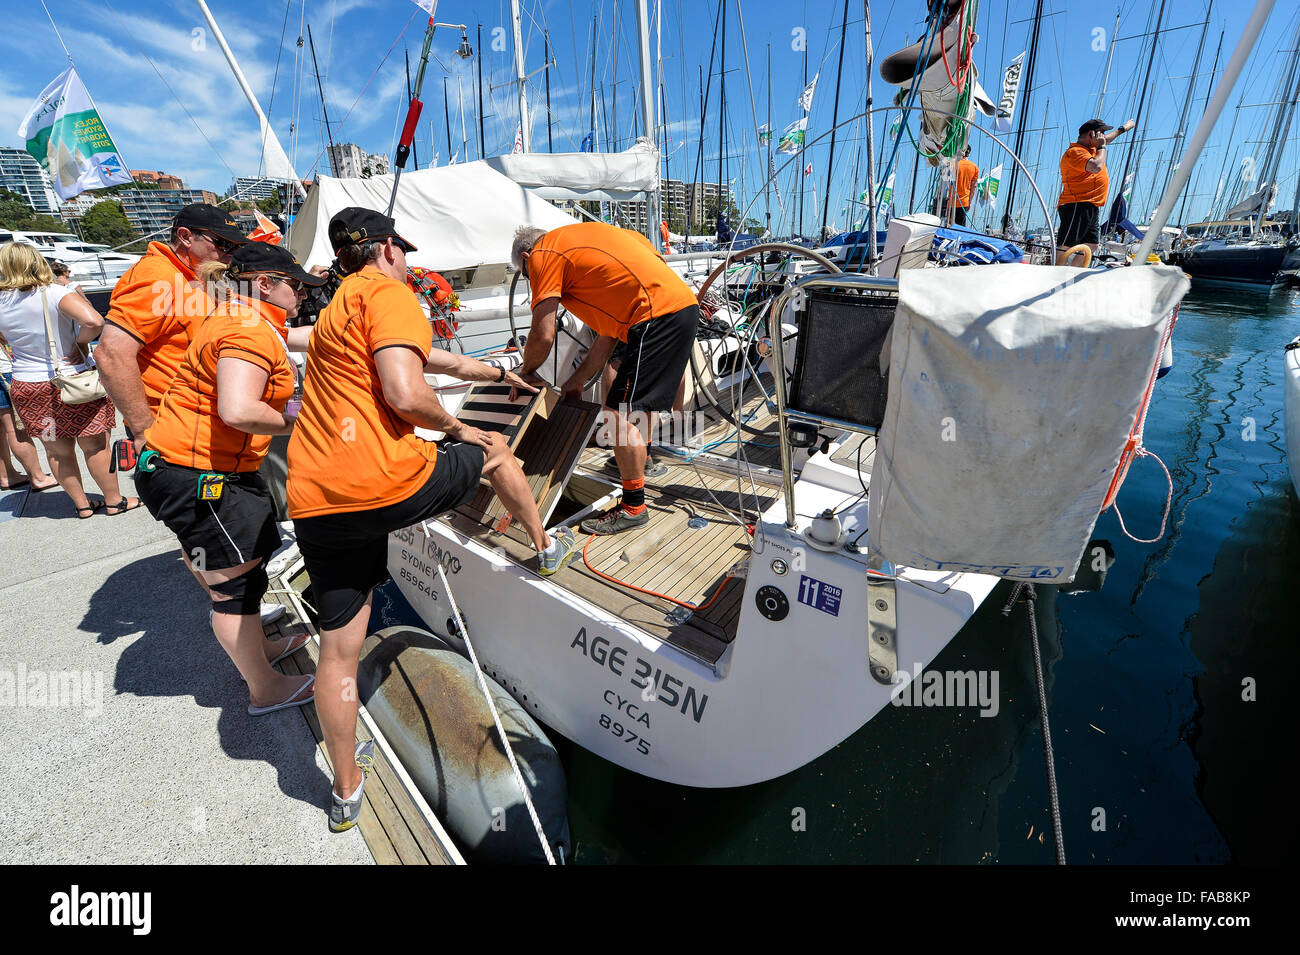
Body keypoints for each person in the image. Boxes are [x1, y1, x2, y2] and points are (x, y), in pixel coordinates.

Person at [286, 207, 579, 832]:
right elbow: (405, 391)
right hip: (381, 483)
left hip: (316, 498)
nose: (407, 263)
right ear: (388, 250)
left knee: (338, 652)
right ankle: (545, 544)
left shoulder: (336, 308)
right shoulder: (389, 293)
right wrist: (459, 429)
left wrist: (499, 373)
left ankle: (345, 790)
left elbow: (439, 362)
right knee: (494, 451)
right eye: (404, 252)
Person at [136, 242, 324, 714]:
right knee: (233, 589)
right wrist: (306, 419)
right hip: (201, 474)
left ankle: (258, 649)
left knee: (227, 567)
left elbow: (294, 339)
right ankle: (264, 689)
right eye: (297, 286)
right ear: (264, 284)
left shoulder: (239, 317)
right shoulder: (248, 330)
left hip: (177, 467)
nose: (303, 294)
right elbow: (238, 410)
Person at [511, 221, 700, 535]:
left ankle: (633, 508)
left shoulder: (544, 253)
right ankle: (642, 461)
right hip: (679, 307)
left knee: (617, 415)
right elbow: (607, 337)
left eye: (528, 275)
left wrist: (526, 372)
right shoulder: (594, 240)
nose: (534, 281)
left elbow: (543, 334)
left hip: (653, 316)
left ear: (526, 257)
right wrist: (577, 380)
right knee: (637, 406)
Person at [0, 242, 137, 517]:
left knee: (56, 450)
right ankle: (114, 500)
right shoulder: (53, 292)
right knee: (95, 445)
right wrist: (78, 344)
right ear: (36, 262)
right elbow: (94, 321)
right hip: (72, 380)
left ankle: (82, 505)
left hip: (27, 385)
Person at [1055, 117, 1136, 265]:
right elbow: (1096, 166)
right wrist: (1101, 147)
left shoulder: (1091, 149)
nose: (1102, 137)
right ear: (1091, 134)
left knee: (1092, 245)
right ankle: (1056, 271)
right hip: (1076, 204)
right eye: (1100, 133)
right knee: (1066, 244)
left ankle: (1073, 270)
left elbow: (1107, 139)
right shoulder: (1075, 152)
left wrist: (1123, 128)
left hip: (1091, 204)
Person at [0, 336, 57, 492]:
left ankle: (7, 475)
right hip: (3, 372)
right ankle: (38, 477)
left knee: (2, 429)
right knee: (15, 429)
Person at [949, 146, 978, 226]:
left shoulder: (952, 164)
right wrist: (969, 202)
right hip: (964, 203)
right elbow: (973, 188)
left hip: (950, 202)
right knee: (960, 229)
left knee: (948, 226)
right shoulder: (975, 167)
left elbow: (946, 183)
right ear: (969, 153)